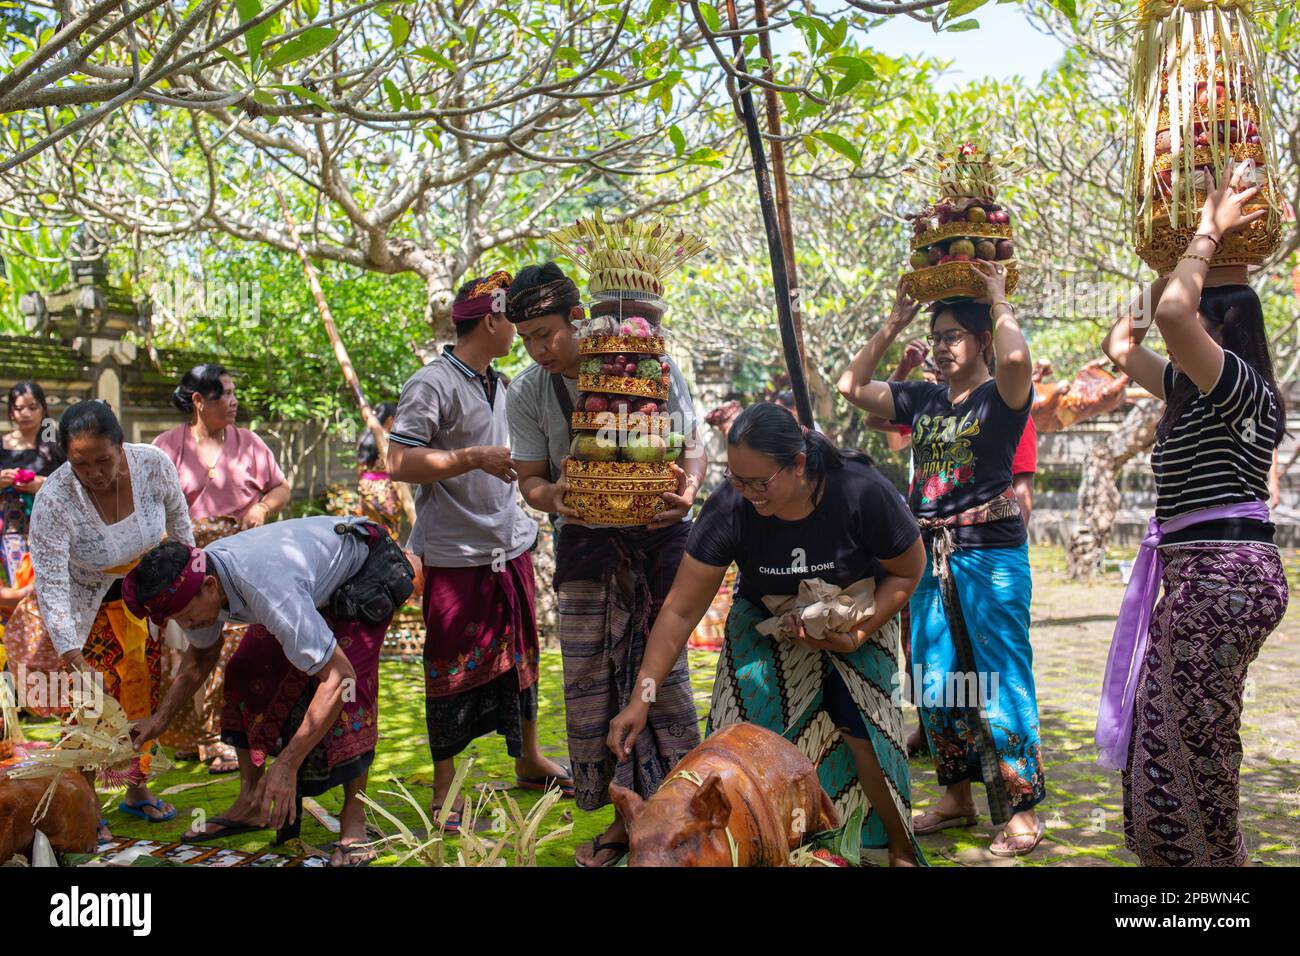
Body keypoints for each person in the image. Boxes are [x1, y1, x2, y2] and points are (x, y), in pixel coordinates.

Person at [607, 404, 926, 865]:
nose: (748, 493)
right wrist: (642, 698)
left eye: (760, 482)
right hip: (765, 619)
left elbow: (906, 573)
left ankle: (898, 848)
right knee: (734, 744)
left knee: (865, 728)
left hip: (858, 611)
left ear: (798, 464)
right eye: (737, 479)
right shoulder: (731, 507)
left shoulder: (862, 493)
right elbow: (678, 610)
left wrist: (856, 635)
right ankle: (746, 850)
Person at [1097, 162, 1288, 866]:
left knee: (1184, 741)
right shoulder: (1190, 386)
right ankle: (1212, 866)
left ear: (1223, 327)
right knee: (1176, 733)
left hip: (1222, 579)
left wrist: (1206, 231)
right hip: (1201, 577)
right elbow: (1119, 347)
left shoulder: (1241, 386)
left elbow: (1176, 318)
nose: (1181, 316)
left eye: (1196, 305)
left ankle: (1204, 879)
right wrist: (1165, 261)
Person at [504, 261, 709, 867]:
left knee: (661, 681)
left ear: (577, 318)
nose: (540, 350)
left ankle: (674, 815)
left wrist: (688, 491)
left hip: (658, 539)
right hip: (585, 547)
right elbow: (532, 483)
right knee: (592, 684)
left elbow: (691, 446)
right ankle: (624, 821)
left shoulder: (646, 366)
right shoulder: (526, 392)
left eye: (547, 334)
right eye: (527, 340)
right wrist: (554, 497)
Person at [838, 265, 1045, 857]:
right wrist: (894, 322)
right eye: (938, 335)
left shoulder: (1000, 397)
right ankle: (957, 797)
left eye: (954, 334)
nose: (942, 346)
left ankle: (1023, 807)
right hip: (928, 555)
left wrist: (1000, 297)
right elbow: (852, 384)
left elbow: (1015, 363)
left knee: (1001, 678)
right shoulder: (924, 398)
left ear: (982, 339)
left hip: (991, 555)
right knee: (938, 680)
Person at [387, 271, 572, 830]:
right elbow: (398, 461)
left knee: (522, 660)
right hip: (454, 555)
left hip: (508, 545)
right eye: (515, 324)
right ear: (491, 320)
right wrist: (472, 458)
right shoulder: (432, 383)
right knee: (449, 670)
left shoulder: (506, 383)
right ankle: (445, 790)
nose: (523, 336)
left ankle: (529, 759)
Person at [125, 515, 409, 866]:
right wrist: (159, 719)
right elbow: (200, 657)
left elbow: (338, 678)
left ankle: (355, 818)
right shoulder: (198, 583)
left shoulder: (265, 587)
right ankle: (252, 803)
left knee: (352, 692)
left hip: (365, 567)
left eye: (186, 617)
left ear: (210, 586)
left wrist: (288, 764)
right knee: (244, 671)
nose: (187, 626)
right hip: (307, 583)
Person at [28, 401, 193, 838]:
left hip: (146, 597)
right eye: (81, 464)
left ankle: (136, 790)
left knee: (143, 696)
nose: (96, 472)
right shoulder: (55, 497)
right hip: (88, 607)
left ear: (121, 446)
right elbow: (49, 580)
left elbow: (180, 526)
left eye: (104, 460)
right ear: (66, 458)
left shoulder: (153, 465)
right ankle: (84, 804)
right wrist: (72, 656)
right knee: (89, 707)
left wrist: (188, 589)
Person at [153, 364, 291, 772]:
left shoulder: (249, 444)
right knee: (186, 650)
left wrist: (262, 506)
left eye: (234, 393)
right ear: (198, 401)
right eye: (224, 395)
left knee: (231, 651)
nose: (233, 402)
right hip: (184, 567)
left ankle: (225, 738)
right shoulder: (166, 447)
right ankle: (188, 737)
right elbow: (148, 501)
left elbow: (280, 487)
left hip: (237, 565)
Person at [355, 402, 402, 539]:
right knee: (389, 534)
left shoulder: (364, 439)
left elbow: (359, 469)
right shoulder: (389, 440)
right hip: (386, 493)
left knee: (369, 532)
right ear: (390, 419)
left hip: (366, 490)